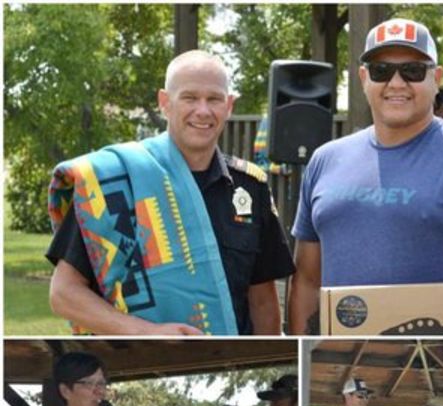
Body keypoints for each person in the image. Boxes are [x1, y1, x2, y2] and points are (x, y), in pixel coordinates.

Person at [290, 19, 443, 336]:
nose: (396, 83)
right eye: (381, 71)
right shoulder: (325, 160)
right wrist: (306, 360)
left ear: (436, 78)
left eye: (412, 71)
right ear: (364, 78)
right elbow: (308, 280)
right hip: (345, 368)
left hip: (438, 365)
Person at [46, 50, 294, 336]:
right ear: (165, 102)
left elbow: (262, 303)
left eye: (213, 99)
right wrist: (144, 331)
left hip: (226, 357)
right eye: (189, 98)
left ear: (229, 105)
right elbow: (64, 294)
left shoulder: (250, 187)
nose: (203, 110)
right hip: (148, 355)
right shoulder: (114, 181)